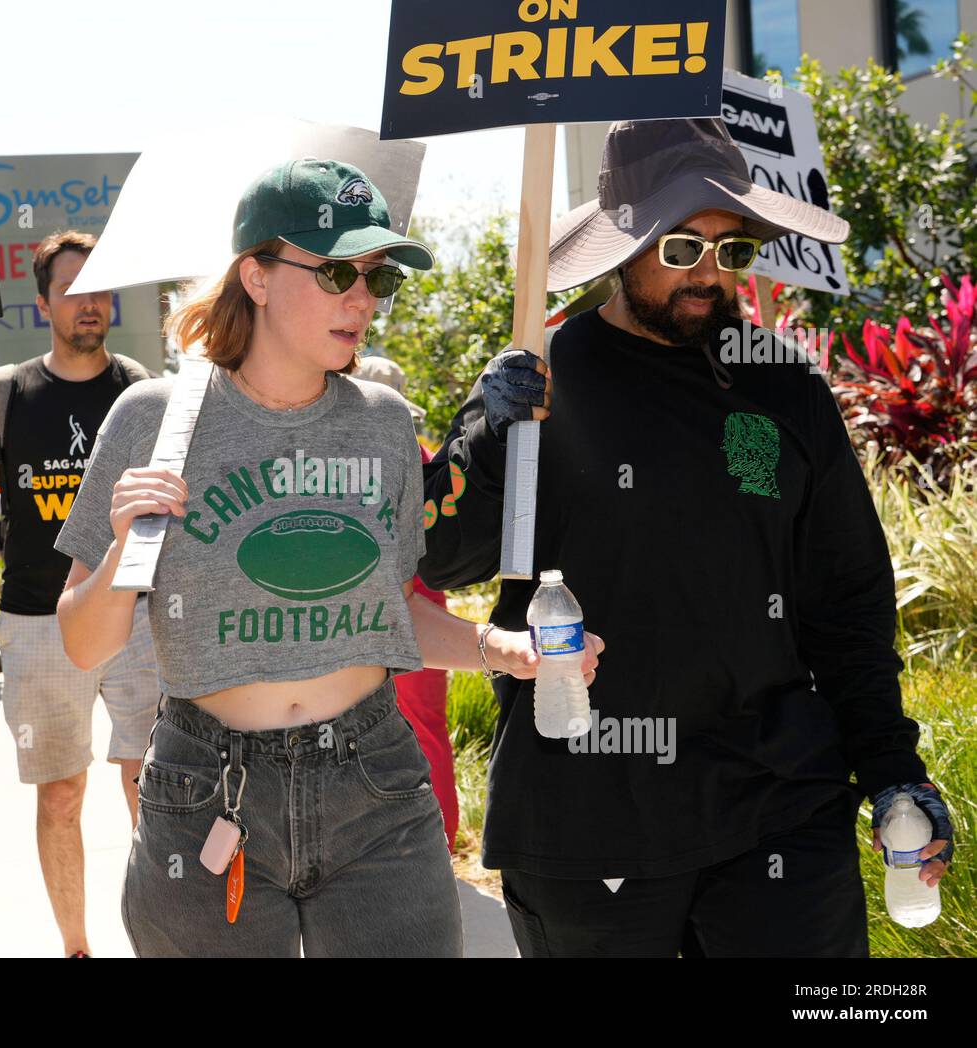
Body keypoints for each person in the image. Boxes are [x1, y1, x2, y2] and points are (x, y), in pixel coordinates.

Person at [420, 117, 955, 958]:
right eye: (681, 249)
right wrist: (489, 435)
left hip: (779, 806)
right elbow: (441, 557)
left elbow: (847, 601)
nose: (709, 272)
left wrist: (893, 768)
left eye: (731, 250)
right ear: (621, 246)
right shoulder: (541, 377)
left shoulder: (785, 386)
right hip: (588, 819)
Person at [51, 159, 603, 957]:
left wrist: (500, 650)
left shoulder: (383, 421)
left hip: (374, 784)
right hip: (207, 790)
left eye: (378, 279)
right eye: (339, 271)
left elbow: (393, 611)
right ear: (258, 276)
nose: (363, 300)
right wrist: (118, 557)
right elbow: (82, 642)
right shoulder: (154, 420)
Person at [0, 230, 163, 958]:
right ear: (44, 302)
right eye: (73, 290)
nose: (89, 303)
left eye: (100, 288)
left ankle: (162, 937)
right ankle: (77, 947)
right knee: (60, 796)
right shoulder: (4, 393)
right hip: (34, 622)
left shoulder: (140, 389)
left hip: (135, 617)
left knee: (152, 788)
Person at [354, 355, 458, 851]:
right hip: (427, 598)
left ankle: (418, 844)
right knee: (426, 728)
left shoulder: (359, 454)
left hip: (386, 603)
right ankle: (440, 838)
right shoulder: (425, 455)